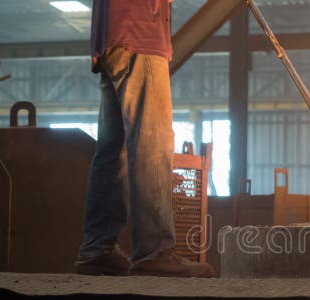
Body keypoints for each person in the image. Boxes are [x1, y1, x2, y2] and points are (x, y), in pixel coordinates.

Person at [75, 0, 214, 278]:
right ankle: (155, 252)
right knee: (153, 143)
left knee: (113, 149)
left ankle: (97, 249)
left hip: (112, 39)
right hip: (139, 34)